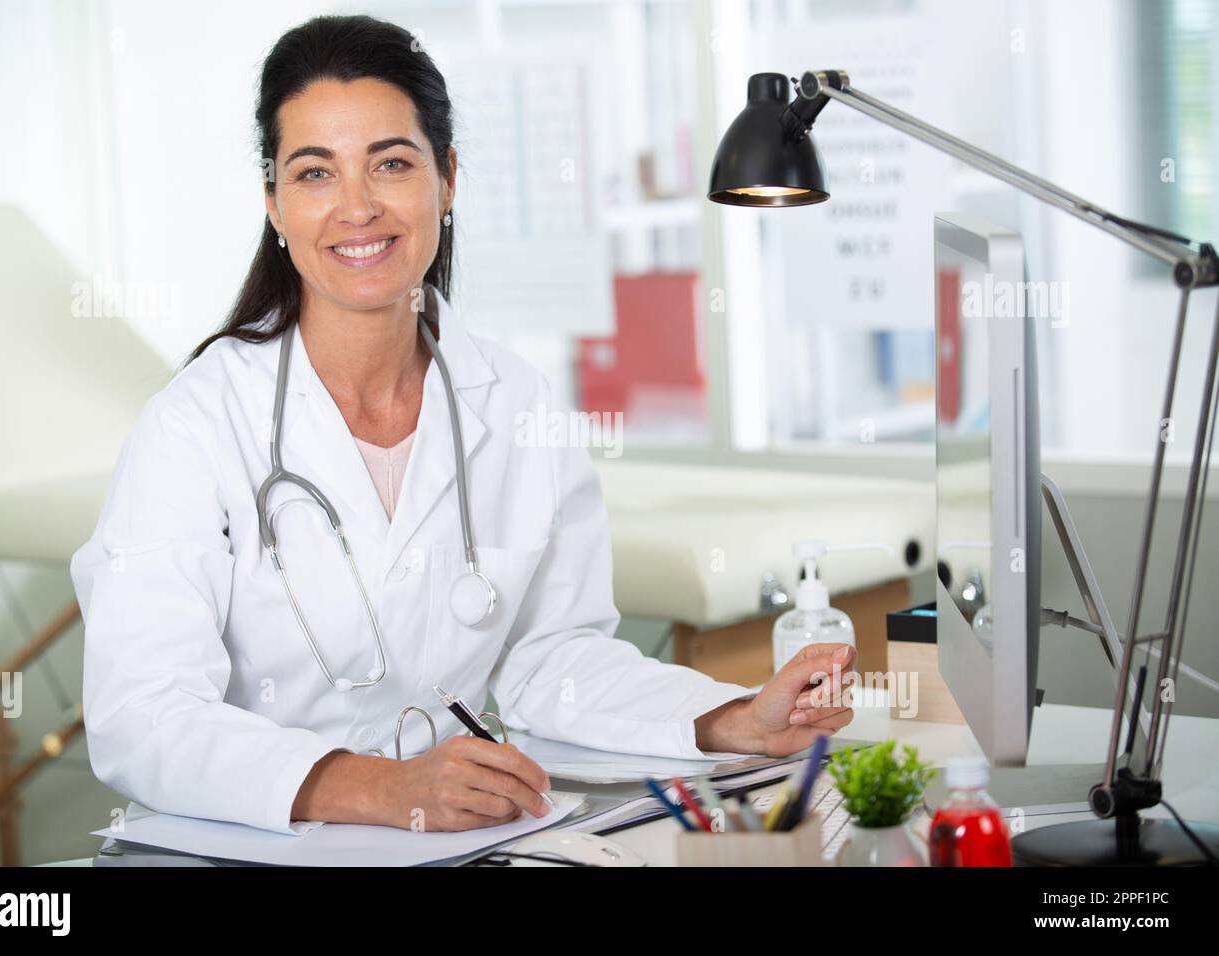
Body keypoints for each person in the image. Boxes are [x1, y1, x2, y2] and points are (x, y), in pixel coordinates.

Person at [71, 14, 855, 836]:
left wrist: (729, 719)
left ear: (447, 179)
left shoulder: (515, 404)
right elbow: (142, 713)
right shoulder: (193, 426)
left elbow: (553, 660)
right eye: (314, 173)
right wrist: (375, 787)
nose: (357, 207)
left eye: (392, 164)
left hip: (456, 845)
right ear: (273, 202)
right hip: (248, 849)